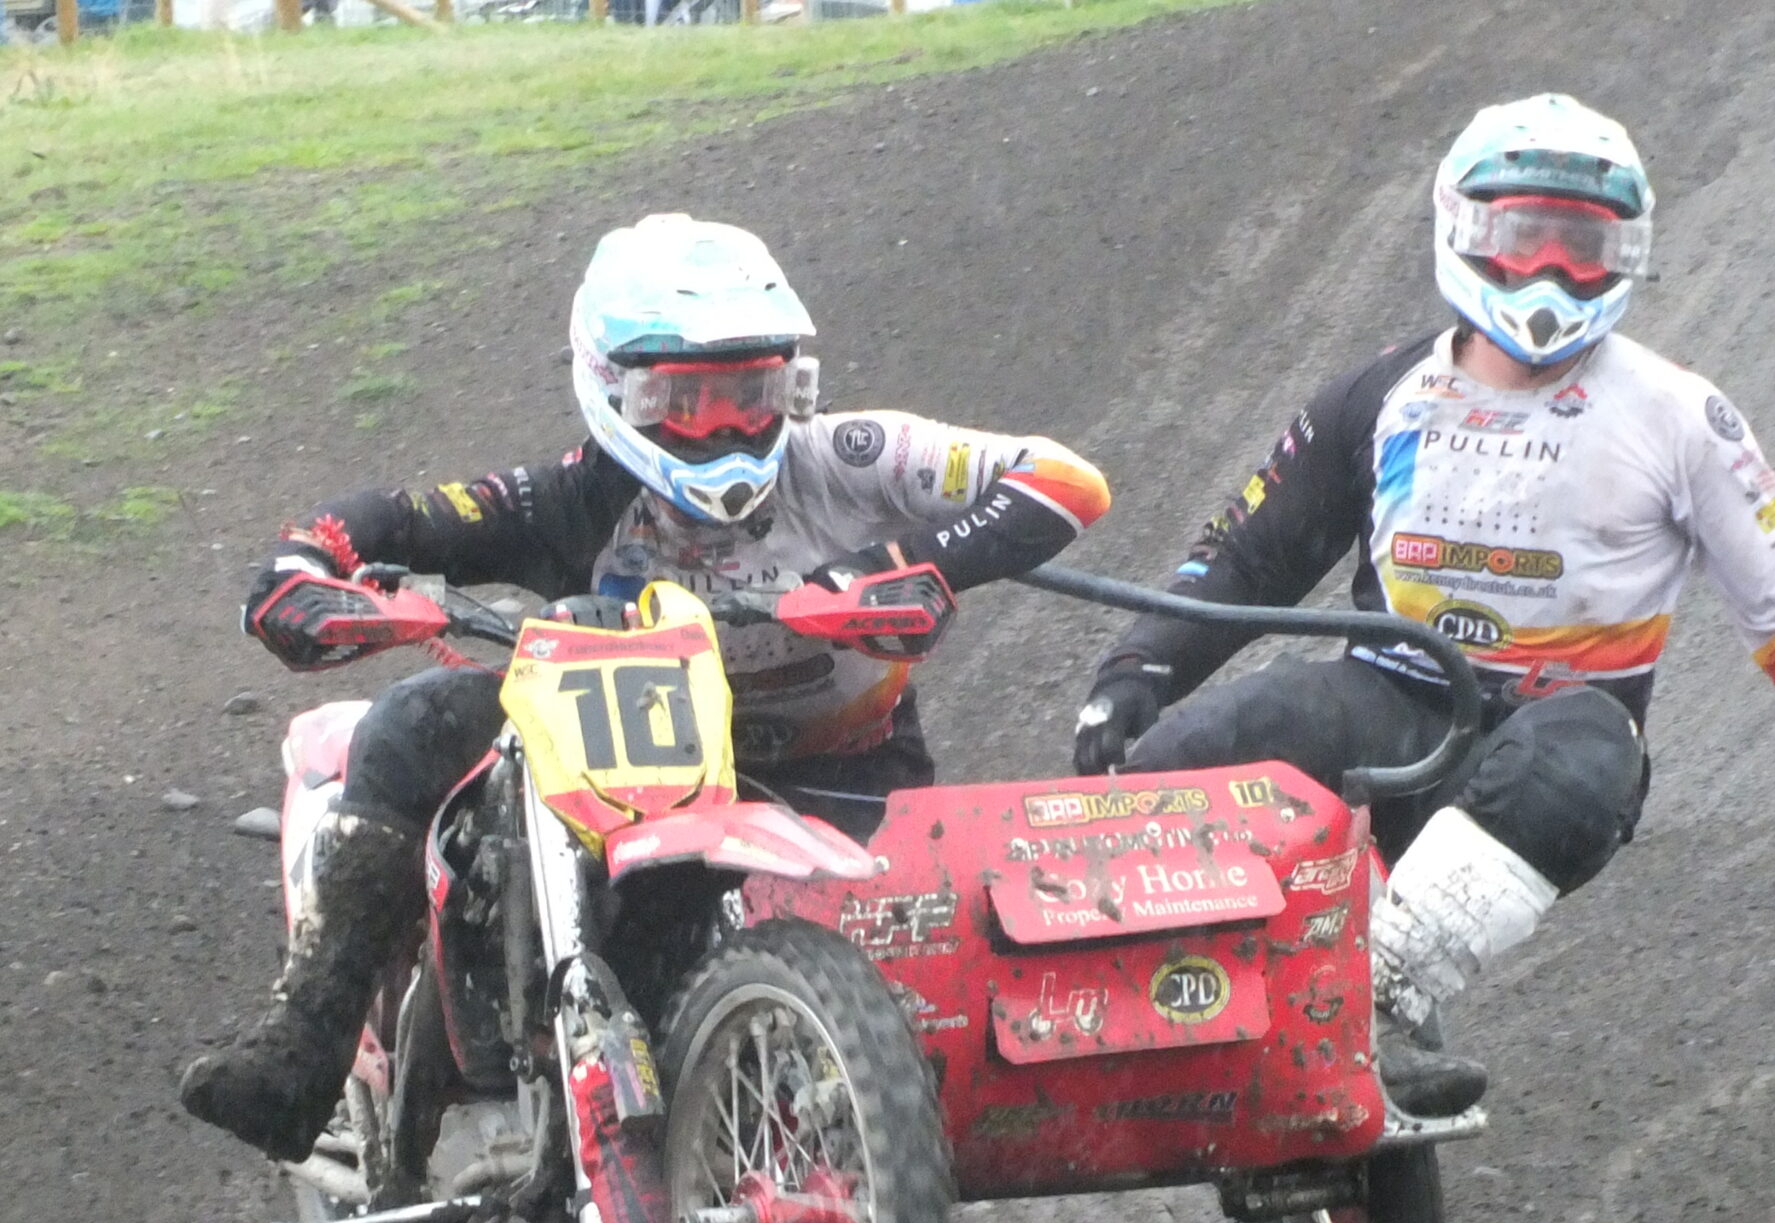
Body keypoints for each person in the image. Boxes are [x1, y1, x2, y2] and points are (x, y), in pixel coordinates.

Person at [183, 213, 1111, 1162]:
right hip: (634, 799)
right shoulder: (569, 501)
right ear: (614, 388)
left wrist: (913, 562)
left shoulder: (849, 457)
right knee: (416, 718)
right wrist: (301, 565)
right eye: (687, 400)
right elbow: (397, 519)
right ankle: (303, 1043)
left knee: (943, 1015)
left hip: (848, 783)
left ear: (795, 382)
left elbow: (1063, 478)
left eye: (754, 394)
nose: (728, 427)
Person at [1070, 94, 1775, 1117]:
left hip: (1559, 745)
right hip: (1385, 704)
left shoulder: (1682, 417)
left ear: (1624, 254)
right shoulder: (1378, 395)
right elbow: (1248, 559)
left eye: (1583, 247)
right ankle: (1080, 1021)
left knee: (1582, 747)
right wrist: (1131, 675)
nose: (1550, 272)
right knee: (1159, 770)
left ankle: (1359, 1014)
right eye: (1521, 237)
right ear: (1464, 232)